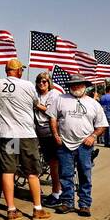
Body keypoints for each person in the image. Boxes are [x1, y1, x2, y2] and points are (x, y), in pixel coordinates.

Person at [0, 59, 51, 220]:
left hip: (8, 135)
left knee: (8, 171)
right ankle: (37, 209)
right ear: (18, 71)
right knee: (32, 172)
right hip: (26, 134)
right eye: (21, 70)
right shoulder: (28, 86)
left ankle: (11, 210)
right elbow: (35, 103)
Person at [50, 77, 107, 216]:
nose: (76, 87)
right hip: (64, 143)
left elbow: (102, 125)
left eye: (79, 84)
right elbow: (52, 118)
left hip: (84, 145)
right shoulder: (60, 99)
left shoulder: (93, 104)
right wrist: (56, 136)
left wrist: (93, 136)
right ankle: (67, 202)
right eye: (73, 85)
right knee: (65, 174)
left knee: (85, 174)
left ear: (85, 86)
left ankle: (84, 204)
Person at [33, 72, 62, 207]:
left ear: (49, 82)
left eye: (44, 81)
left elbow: (50, 112)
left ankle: (57, 193)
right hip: (39, 133)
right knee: (46, 164)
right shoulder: (36, 95)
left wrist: (36, 105)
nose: (41, 83)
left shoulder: (53, 94)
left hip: (51, 132)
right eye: (39, 81)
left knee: (54, 165)